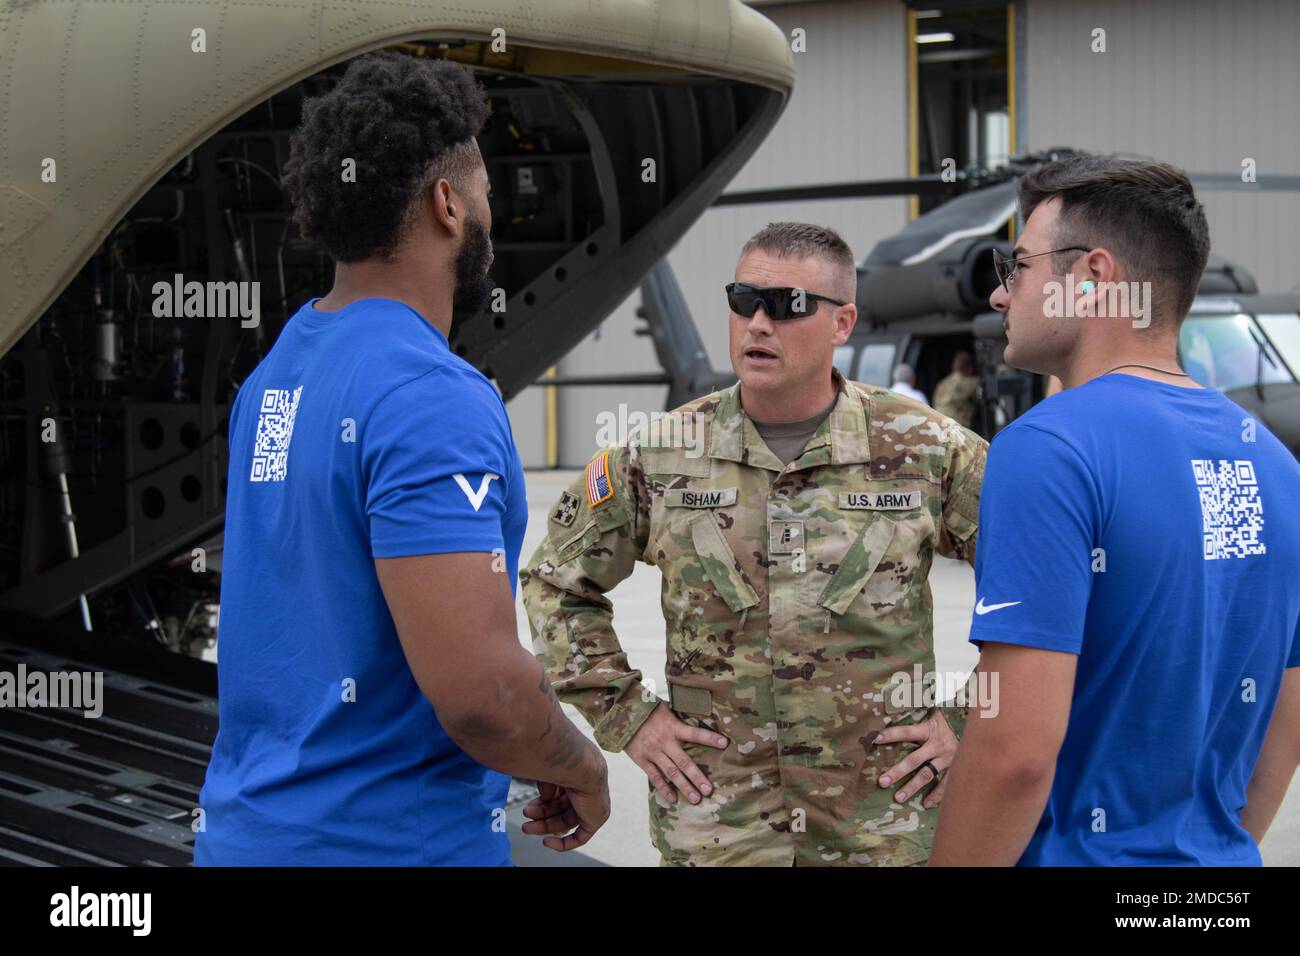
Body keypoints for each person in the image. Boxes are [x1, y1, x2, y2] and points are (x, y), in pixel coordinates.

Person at [196, 52, 608, 866]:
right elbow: (483, 696)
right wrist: (580, 764)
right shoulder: (431, 396)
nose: (491, 208)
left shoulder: (278, 374)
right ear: (447, 204)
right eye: (484, 190)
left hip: (248, 838)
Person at [522, 222, 987, 866]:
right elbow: (555, 581)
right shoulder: (657, 454)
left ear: (842, 322)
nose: (758, 324)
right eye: (744, 301)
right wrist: (627, 715)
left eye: (788, 306)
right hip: (721, 829)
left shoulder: (929, 449)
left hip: (880, 827)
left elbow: (1049, 584)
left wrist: (971, 718)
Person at [930, 155, 1300, 866]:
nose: (1002, 295)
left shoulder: (1050, 448)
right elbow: (1284, 727)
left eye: (1021, 265)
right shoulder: (1280, 468)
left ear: (1092, 278)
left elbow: (1016, 754)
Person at [933, 351, 978, 428]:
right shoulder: (968, 383)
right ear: (970, 369)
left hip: (940, 426)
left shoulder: (943, 383)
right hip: (958, 429)